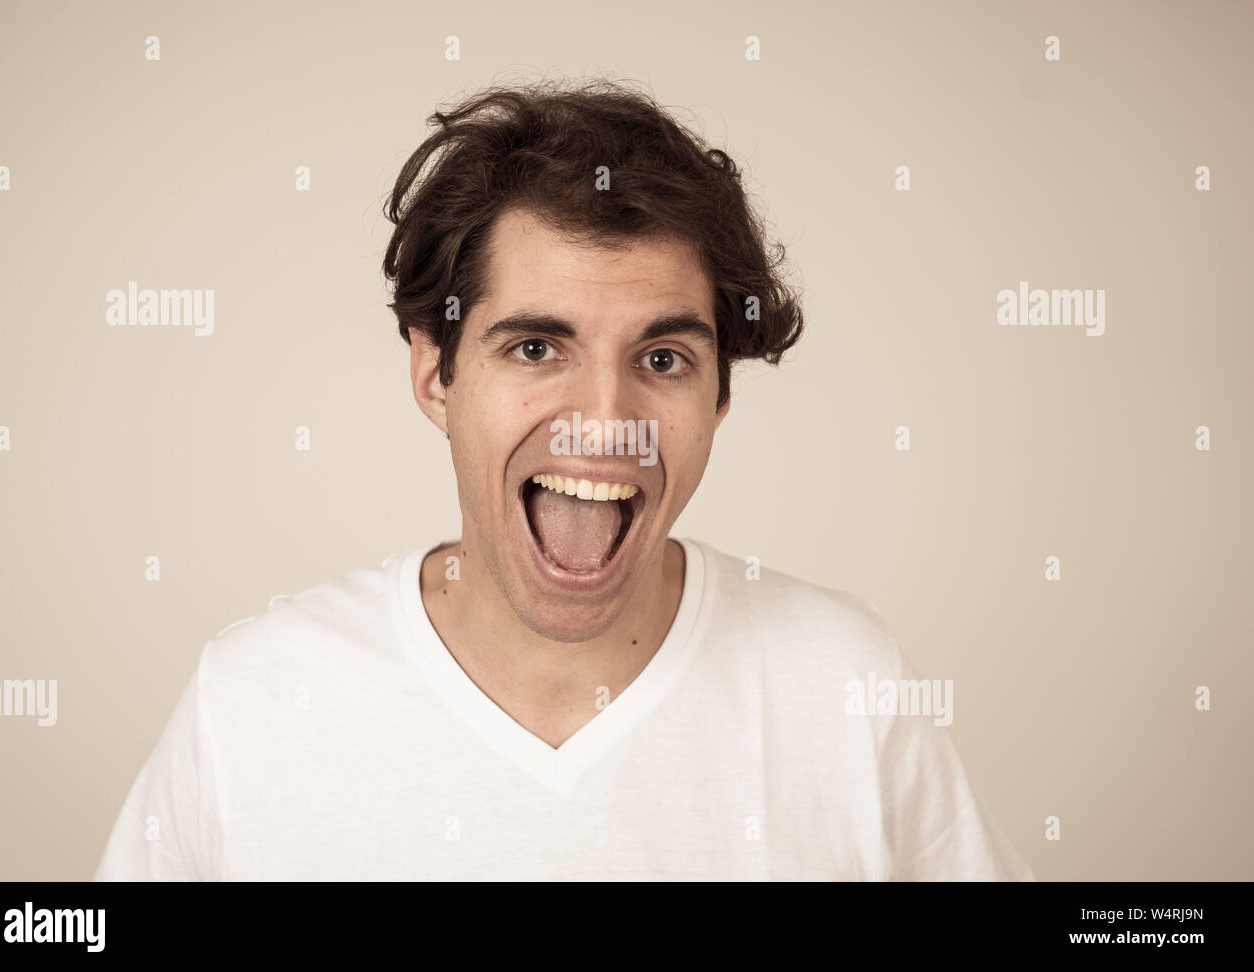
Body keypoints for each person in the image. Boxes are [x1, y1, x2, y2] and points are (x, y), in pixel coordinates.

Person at [94, 79, 1034, 880]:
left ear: (718, 401)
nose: (605, 421)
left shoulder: (844, 685)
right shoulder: (256, 698)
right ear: (436, 375)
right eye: (537, 347)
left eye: (663, 358)